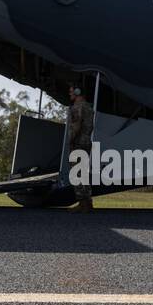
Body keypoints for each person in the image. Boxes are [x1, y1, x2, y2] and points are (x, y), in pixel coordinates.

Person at [66, 84, 95, 212]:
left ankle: (82, 203)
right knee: (84, 173)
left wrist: (69, 140)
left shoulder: (77, 107)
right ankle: (88, 203)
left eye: (72, 91)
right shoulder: (88, 107)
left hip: (78, 143)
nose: (69, 93)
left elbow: (76, 126)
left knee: (76, 173)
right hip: (86, 142)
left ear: (78, 92)